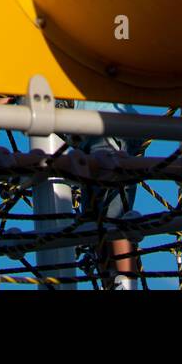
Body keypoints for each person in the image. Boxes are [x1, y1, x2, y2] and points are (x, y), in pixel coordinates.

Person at [69, 100, 145, 289]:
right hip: (119, 129)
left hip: (104, 130)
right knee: (102, 222)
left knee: (110, 222)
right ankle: (117, 282)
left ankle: (120, 282)